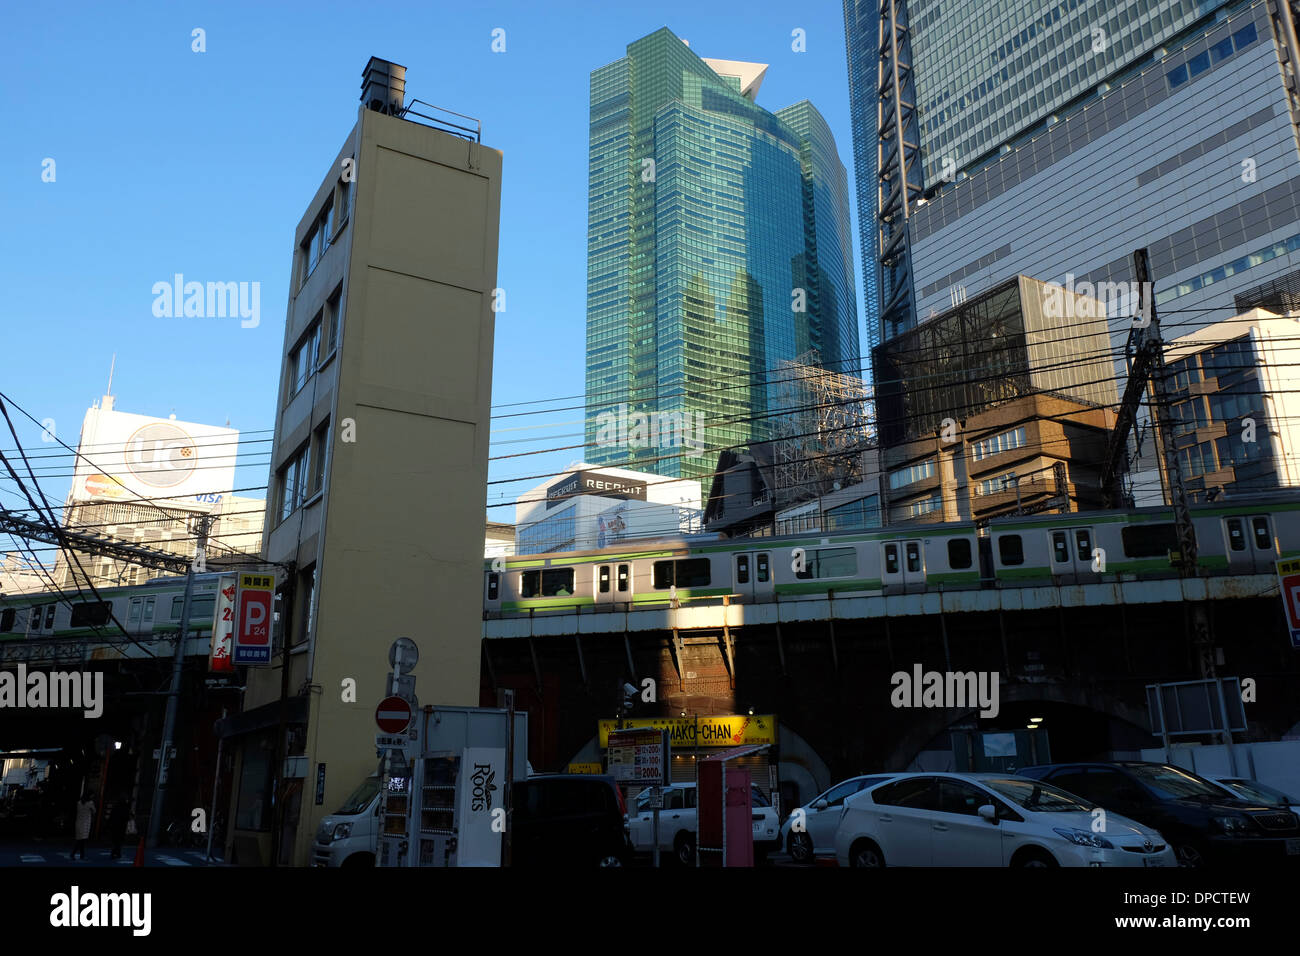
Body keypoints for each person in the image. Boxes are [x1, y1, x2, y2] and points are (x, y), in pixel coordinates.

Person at [73, 790, 96, 860]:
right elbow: (94, 811)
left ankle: (81, 855)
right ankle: (74, 854)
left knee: (80, 840)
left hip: (78, 822)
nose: (93, 796)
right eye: (92, 795)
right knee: (81, 840)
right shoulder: (90, 803)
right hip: (85, 823)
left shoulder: (79, 802)